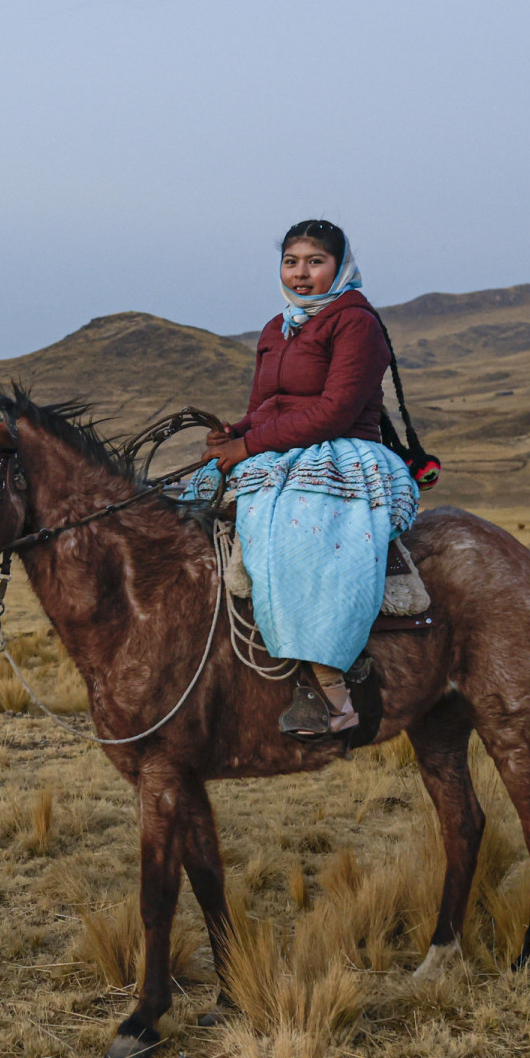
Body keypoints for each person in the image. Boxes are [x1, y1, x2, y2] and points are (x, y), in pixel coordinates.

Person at [192, 219, 419, 739]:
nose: (301, 273)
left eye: (315, 262)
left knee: (295, 536)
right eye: (291, 262)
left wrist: (249, 445)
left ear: (340, 268)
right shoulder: (278, 327)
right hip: (277, 447)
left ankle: (331, 691)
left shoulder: (356, 323)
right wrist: (235, 432)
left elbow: (336, 411)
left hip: (340, 452)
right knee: (189, 505)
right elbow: (265, 405)